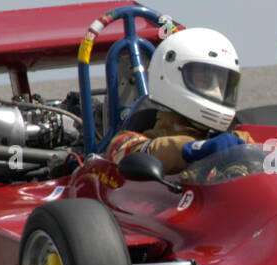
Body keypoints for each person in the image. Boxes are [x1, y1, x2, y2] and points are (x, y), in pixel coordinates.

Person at [106, 27, 253, 173]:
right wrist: (194, 149)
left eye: (222, 85)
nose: (217, 92)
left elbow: (269, 159)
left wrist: (251, 155)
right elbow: (122, 154)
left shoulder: (236, 139)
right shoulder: (130, 141)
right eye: (204, 79)